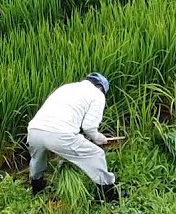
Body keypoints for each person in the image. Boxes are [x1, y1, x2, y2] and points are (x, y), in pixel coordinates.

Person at [27, 73, 125, 203]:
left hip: (35, 130)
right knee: (96, 154)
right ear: (101, 88)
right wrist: (100, 139)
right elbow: (89, 127)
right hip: (59, 134)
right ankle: (108, 192)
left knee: (37, 159)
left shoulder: (67, 88)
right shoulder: (97, 95)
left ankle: (37, 188)